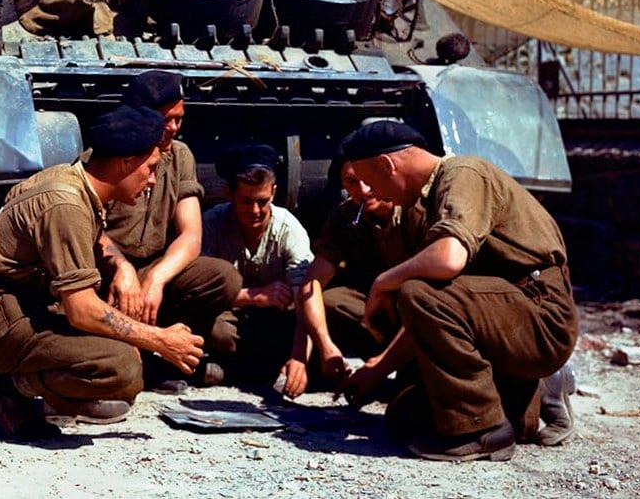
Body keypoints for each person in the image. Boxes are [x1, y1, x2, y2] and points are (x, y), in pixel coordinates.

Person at [336, 120, 578, 462]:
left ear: (387, 165)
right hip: (506, 315)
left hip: (541, 317)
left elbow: (447, 261)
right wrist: (377, 371)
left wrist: (383, 282)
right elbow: (436, 315)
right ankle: (533, 397)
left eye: (371, 182)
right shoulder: (430, 198)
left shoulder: (463, 173)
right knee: (405, 416)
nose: (372, 193)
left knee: (416, 291)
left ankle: (483, 431)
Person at [0, 105, 205, 436]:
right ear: (125, 163)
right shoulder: (67, 204)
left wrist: (121, 268)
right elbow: (82, 310)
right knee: (122, 367)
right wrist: (160, 340)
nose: (151, 181)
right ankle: (9, 391)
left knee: (116, 352)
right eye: (149, 169)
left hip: (18, 307)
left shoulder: (72, 181)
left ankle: (28, 387)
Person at [104, 70, 241, 388]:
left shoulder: (180, 157)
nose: (174, 127)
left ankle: (166, 355)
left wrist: (156, 278)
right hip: (109, 274)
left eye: (179, 119)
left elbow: (191, 235)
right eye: (166, 119)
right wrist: (122, 268)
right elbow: (90, 230)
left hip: (152, 268)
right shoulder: (110, 153)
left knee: (224, 277)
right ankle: (131, 358)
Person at [287, 154, 428, 397]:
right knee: (329, 301)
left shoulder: (415, 210)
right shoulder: (346, 216)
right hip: (377, 312)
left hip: (418, 314)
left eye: (367, 178)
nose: (362, 189)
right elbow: (312, 283)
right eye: (352, 181)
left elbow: (431, 293)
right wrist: (324, 345)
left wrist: (380, 366)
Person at [201, 144, 313, 393]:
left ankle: (238, 370)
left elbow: (304, 297)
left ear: (274, 192)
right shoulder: (211, 223)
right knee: (215, 330)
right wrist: (254, 296)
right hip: (231, 319)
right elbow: (197, 291)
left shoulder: (289, 229)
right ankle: (262, 370)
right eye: (246, 201)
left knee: (310, 322)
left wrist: (299, 355)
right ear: (228, 193)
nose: (255, 211)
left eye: (262, 202)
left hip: (276, 321)